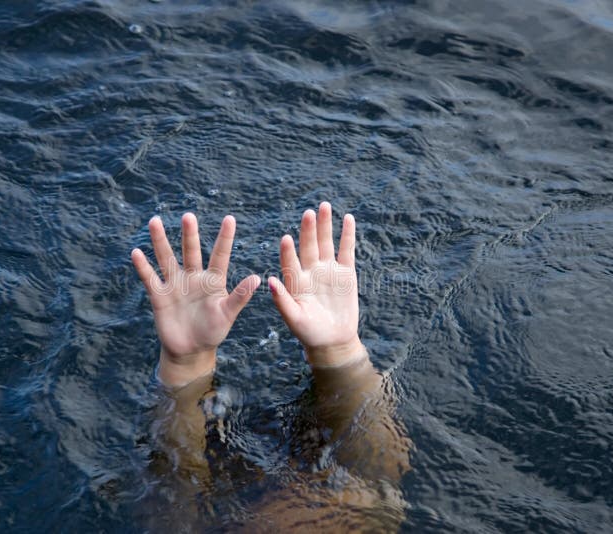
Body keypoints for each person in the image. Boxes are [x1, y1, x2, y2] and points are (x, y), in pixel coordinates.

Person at [131, 202, 411, 531]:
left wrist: (185, 364)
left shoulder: (195, 516)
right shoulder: (359, 500)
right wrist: (340, 353)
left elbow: (174, 496)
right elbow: (378, 478)